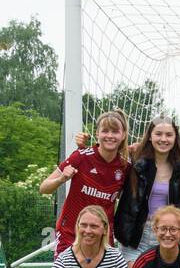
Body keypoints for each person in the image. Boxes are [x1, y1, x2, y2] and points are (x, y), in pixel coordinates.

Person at [41, 109, 129, 255]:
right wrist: (61, 179)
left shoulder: (126, 165)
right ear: (97, 134)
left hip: (103, 238)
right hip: (71, 234)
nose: (109, 136)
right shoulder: (80, 157)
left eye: (115, 131)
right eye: (105, 131)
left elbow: (122, 195)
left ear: (123, 135)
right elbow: (44, 188)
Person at [114, 115, 180, 264]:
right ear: (150, 136)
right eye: (158, 134)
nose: (163, 139)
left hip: (166, 233)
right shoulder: (136, 160)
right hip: (137, 233)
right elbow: (108, 155)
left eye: (169, 135)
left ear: (175, 138)